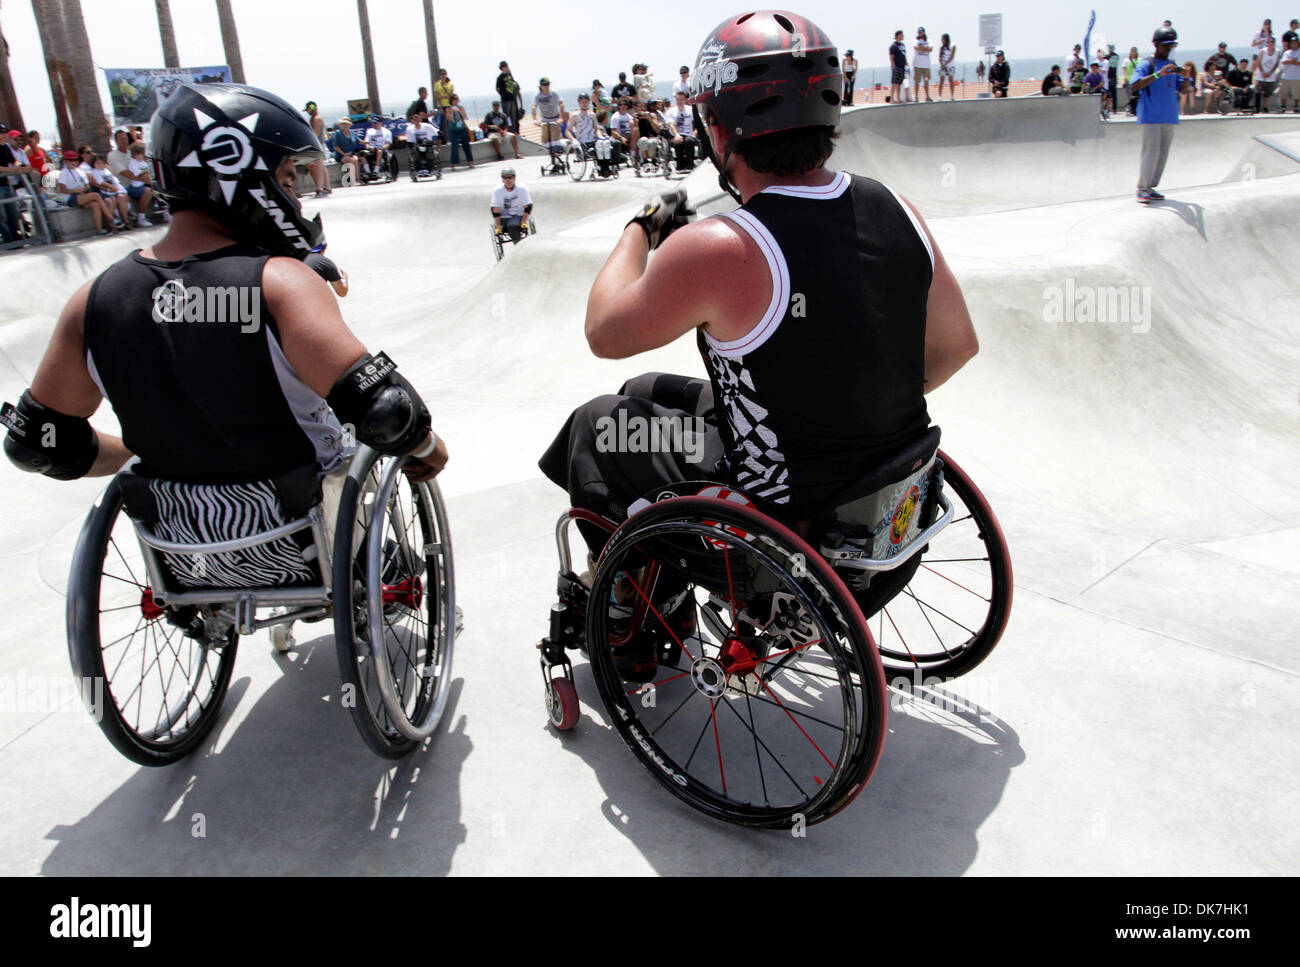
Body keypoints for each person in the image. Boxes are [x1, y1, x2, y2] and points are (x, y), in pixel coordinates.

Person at [538, 11, 978, 678]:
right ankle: (651, 580)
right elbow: (955, 346)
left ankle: (632, 614)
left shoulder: (721, 244)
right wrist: (850, 401)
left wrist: (640, 229)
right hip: (888, 525)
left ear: (718, 130)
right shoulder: (897, 208)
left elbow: (604, 330)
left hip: (790, 537)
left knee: (600, 426)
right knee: (645, 394)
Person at [3, 83, 446, 573]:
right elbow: (384, 410)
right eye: (287, 176)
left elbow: (39, 443)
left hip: (182, 551)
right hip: (300, 538)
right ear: (241, 174)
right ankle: (381, 564)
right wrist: (427, 447)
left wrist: (137, 453)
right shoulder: (279, 284)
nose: (296, 198)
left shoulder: (92, 300)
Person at [1130, 25, 1189, 203]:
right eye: (1166, 45)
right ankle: (1142, 188)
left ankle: (1151, 186)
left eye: (1171, 45)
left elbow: (1184, 89)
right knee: (1151, 151)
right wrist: (1158, 74)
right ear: (1156, 44)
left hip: (1169, 116)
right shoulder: (1148, 64)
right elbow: (1134, 85)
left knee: (1163, 153)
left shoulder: (1173, 66)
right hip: (1151, 116)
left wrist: (1186, 77)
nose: (1169, 48)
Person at [53, 148, 115, 235]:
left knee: (95, 204)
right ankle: (111, 219)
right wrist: (76, 190)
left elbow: (87, 186)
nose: (73, 162)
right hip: (70, 197)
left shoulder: (80, 172)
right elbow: (62, 189)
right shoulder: (63, 173)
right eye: (70, 160)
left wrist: (84, 190)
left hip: (81, 196)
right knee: (96, 195)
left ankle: (99, 229)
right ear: (66, 161)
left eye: (75, 159)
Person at [0, 128, 32, 243]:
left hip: (6, 185)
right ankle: (9, 240)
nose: (4, 135)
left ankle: (16, 237)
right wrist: (13, 169)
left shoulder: (5, 147)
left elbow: (14, 161)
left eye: (4, 133)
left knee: (13, 212)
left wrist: (22, 166)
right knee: (2, 215)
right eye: (1, 133)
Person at [532, 77, 565, 172]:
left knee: (555, 141)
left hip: (554, 118)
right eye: (544, 85)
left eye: (548, 84)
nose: (546, 86)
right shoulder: (537, 96)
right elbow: (534, 107)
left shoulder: (554, 93)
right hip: (544, 120)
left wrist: (560, 118)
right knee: (546, 143)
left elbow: (561, 104)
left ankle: (557, 161)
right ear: (540, 86)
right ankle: (553, 161)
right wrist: (535, 120)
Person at [491, 167, 532, 241]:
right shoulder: (497, 190)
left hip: (517, 215)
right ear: (502, 179)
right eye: (505, 177)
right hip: (503, 217)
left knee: (512, 226)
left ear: (514, 178)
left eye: (510, 177)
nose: (507, 180)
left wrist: (523, 222)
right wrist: (498, 226)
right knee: (502, 229)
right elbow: (495, 209)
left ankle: (519, 248)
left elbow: (528, 206)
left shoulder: (521, 189)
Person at [302, 102, 331, 196]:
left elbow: (316, 134)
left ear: (313, 108)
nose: (307, 112)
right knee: (322, 166)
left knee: (319, 166)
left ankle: (319, 188)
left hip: (317, 145)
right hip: (318, 145)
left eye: (308, 110)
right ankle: (327, 187)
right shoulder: (313, 118)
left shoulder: (317, 119)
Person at [405, 110, 439, 178]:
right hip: (416, 145)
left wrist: (436, 144)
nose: (416, 121)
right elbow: (410, 141)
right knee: (415, 153)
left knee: (430, 152)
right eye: (415, 120)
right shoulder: (409, 129)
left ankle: (430, 169)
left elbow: (437, 133)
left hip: (427, 144)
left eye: (418, 119)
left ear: (420, 120)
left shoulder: (427, 126)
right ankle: (418, 170)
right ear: (412, 121)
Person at [329, 117, 362, 184]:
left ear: (350, 125)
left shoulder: (351, 132)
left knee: (356, 159)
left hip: (350, 154)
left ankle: (357, 178)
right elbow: (336, 146)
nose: (345, 125)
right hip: (341, 155)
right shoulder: (338, 133)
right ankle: (352, 179)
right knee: (351, 160)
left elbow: (359, 141)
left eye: (347, 124)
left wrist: (367, 142)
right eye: (344, 124)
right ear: (341, 125)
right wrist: (344, 153)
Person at [445, 95, 474, 169]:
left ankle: (470, 162)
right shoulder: (448, 108)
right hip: (453, 130)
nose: (456, 100)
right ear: (451, 101)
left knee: (466, 145)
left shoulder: (460, 107)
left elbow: (465, 116)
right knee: (454, 147)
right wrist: (451, 112)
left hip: (462, 129)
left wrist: (459, 111)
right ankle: (453, 164)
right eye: (454, 99)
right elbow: (449, 119)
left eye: (457, 99)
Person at [361, 116, 392, 182]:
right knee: (362, 154)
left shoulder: (386, 131)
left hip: (382, 150)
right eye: (373, 123)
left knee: (379, 151)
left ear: (380, 123)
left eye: (375, 123)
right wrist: (368, 147)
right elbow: (366, 143)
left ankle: (376, 171)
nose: (373, 124)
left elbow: (388, 144)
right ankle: (368, 172)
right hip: (372, 150)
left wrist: (382, 147)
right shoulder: (369, 131)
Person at [1256, 37, 1282, 111]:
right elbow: (1259, 62)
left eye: (1272, 42)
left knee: (1267, 92)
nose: (1271, 43)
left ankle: (1265, 106)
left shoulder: (1277, 51)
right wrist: (1262, 72)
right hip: (1262, 74)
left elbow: (1276, 63)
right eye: (1269, 42)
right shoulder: (1263, 51)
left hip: (1271, 74)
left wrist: (1271, 72)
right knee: (1258, 91)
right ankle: (1257, 108)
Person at [496, 62, 522, 132]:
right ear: (502, 67)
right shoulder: (500, 77)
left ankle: (514, 130)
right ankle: (509, 129)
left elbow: (514, 85)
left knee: (513, 115)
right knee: (507, 116)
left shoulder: (509, 75)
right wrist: (502, 94)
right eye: (506, 66)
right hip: (505, 100)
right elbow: (497, 88)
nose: (507, 67)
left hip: (512, 99)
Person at [913, 28, 933, 102]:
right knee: (917, 81)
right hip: (917, 65)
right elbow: (916, 48)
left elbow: (930, 49)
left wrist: (922, 48)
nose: (920, 33)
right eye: (919, 32)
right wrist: (925, 48)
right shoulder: (915, 40)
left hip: (926, 65)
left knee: (926, 81)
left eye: (921, 32)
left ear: (924, 33)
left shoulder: (929, 40)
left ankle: (927, 96)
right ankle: (916, 96)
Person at [1281, 36, 1300, 112]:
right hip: (1286, 76)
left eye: (1295, 43)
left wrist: (1290, 61)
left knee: (1296, 93)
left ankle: (1296, 106)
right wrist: (1293, 61)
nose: (1293, 44)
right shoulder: (1287, 52)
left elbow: (1298, 63)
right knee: (1283, 93)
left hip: (1297, 77)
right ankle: (1283, 106)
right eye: (1292, 43)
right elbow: (1284, 62)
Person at [889, 30, 908, 103]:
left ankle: (898, 98)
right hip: (896, 66)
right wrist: (893, 65)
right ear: (898, 36)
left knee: (899, 83)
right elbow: (891, 57)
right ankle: (892, 99)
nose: (903, 36)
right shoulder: (893, 46)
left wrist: (906, 63)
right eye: (902, 35)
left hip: (902, 66)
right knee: (894, 83)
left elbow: (904, 55)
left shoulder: (903, 45)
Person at [1122, 46, 1142, 113]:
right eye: (1132, 51)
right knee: (1129, 95)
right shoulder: (1126, 60)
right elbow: (1124, 70)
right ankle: (1130, 108)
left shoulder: (1139, 60)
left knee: (1137, 95)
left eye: (1134, 51)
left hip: (1137, 80)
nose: (1133, 53)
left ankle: (1136, 108)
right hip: (1129, 80)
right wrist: (1125, 78)